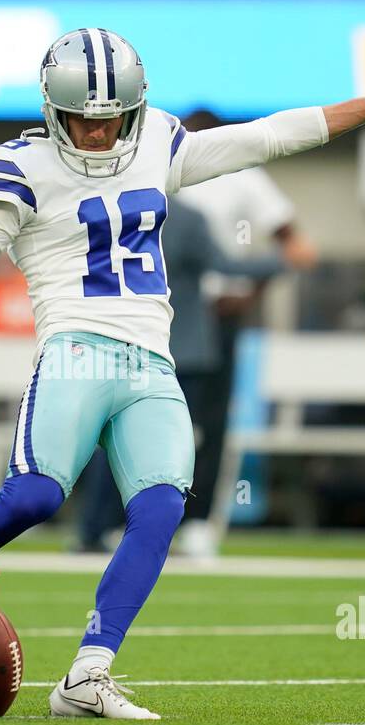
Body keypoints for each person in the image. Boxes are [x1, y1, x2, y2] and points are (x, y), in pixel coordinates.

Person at [0, 29, 365, 719]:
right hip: (75, 351)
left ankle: (89, 674)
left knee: (160, 507)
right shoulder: (21, 168)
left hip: (152, 361)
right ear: (53, 112)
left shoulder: (158, 143)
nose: (96, 131)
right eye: (80, 118)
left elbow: (269, 137)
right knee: (32, 497)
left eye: (110, 115)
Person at [75, 200, 314, 552]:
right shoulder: (185, 217)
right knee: (179, 448)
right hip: (181, 351)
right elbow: (225, 266)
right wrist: (282, 261)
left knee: (117, 439)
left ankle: (98, 527)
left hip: (127, 346)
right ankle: (169, 527)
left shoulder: (112, 212)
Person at [174, 109, 318, 557]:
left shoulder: (241, 174)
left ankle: (197, 523)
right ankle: (129, 519)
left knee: (208, 425)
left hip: (217, 317)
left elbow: (295, 245)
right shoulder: (163, 170)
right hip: (160, 313)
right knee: (151, 419)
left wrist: (250, 293)